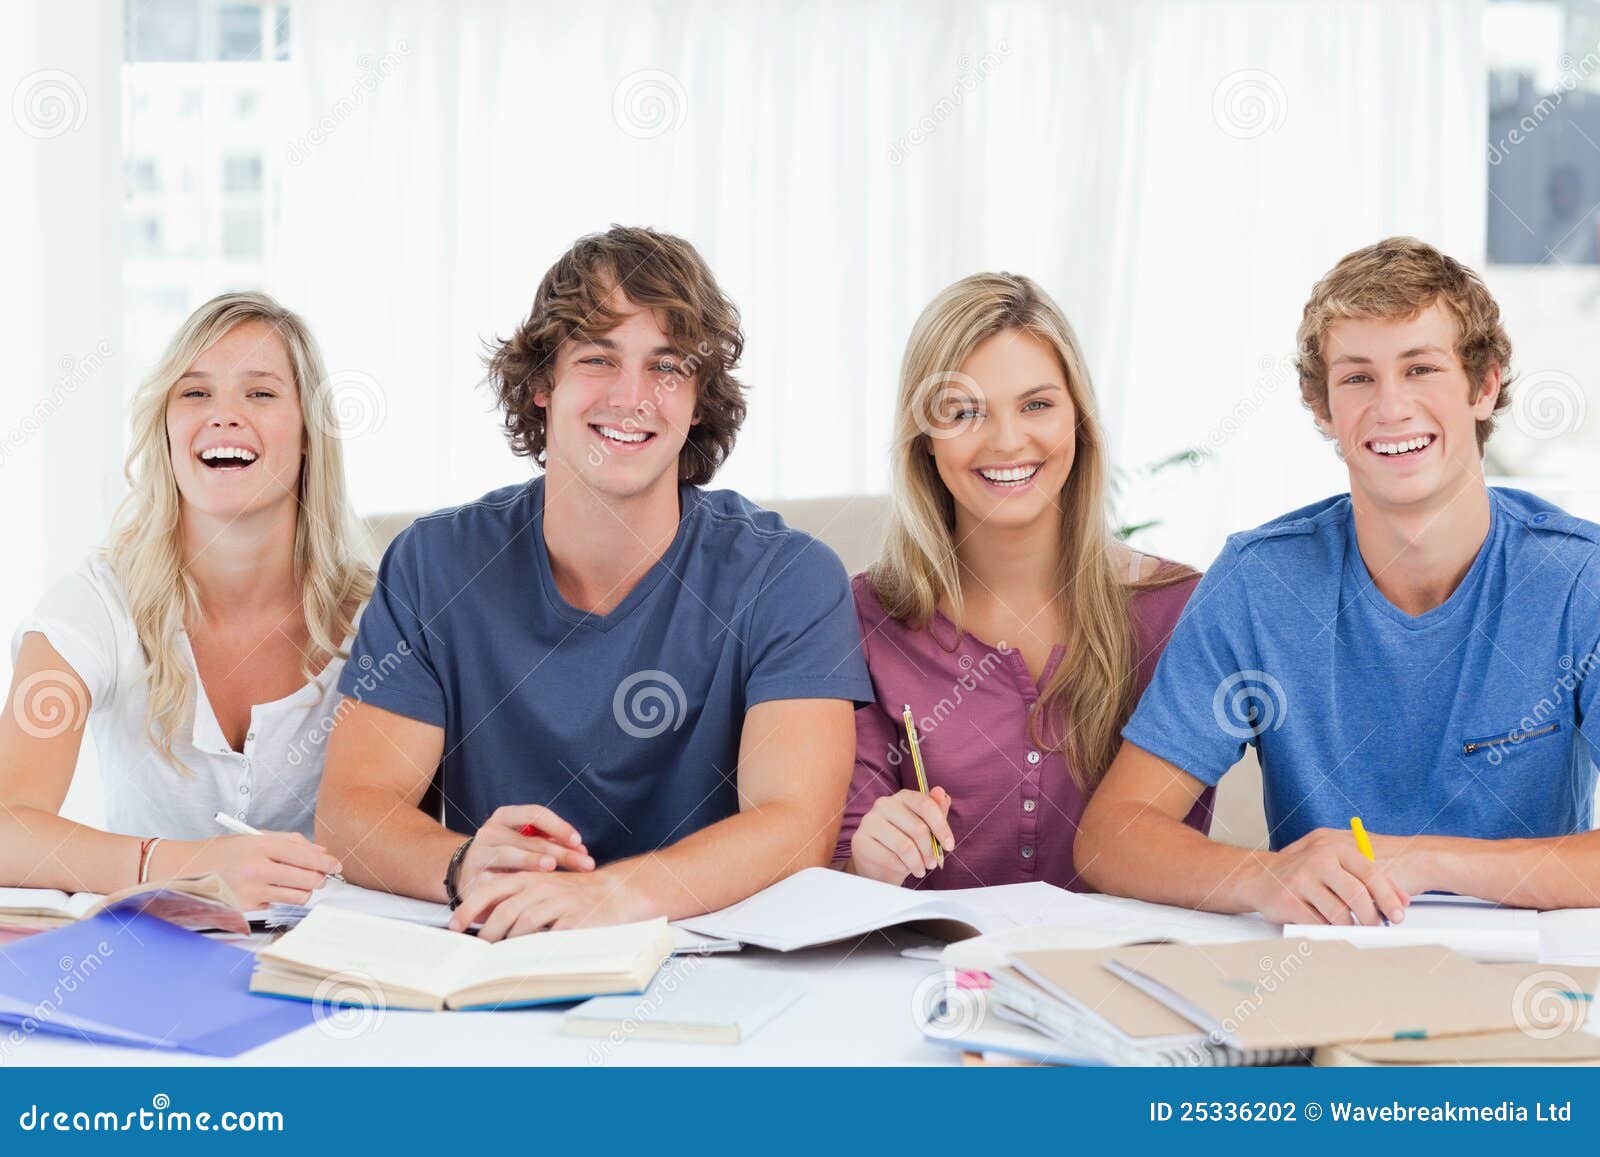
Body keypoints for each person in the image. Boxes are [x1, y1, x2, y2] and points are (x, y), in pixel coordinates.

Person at [315, 226, 872, 939]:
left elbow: (796, 828)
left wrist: (609, 897)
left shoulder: (790, 578)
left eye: (667, 366)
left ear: (699, 399)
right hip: (498, 950)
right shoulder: (434, 564)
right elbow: (353, 807)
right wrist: (462, 865)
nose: (631, 395)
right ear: (542, 384)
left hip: (711, 970)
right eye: (597, 358)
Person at [1077, 237, 1600, 922]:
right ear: (1322, 409)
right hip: (1318, 972)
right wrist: (1264, 878)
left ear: (1484, 385)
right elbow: (1112, 836)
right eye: (1357, 378)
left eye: (1421, 369)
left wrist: (1424, 861)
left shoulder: (1577, 580)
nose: (1391, 407)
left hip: (1523, 983)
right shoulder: (1260, 583)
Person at [836, 273, 1208, 889]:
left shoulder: (1176, 611)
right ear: (925, 439)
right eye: (963, 412)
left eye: (1036, 405)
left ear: (1078, 421)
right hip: (930, 979)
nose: (1008, 441)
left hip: (1119, 976)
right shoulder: (860, 618)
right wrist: (867, 858)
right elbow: (839, 871)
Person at [1, 292, 367, 908]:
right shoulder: (95, 606)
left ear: (309, 435)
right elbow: (6, 824)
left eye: (261, 392)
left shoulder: (378, 617)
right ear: (166, 431)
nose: (223, 415)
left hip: (325, 966)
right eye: (195, 393)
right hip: (144, 964)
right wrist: (188, 866)